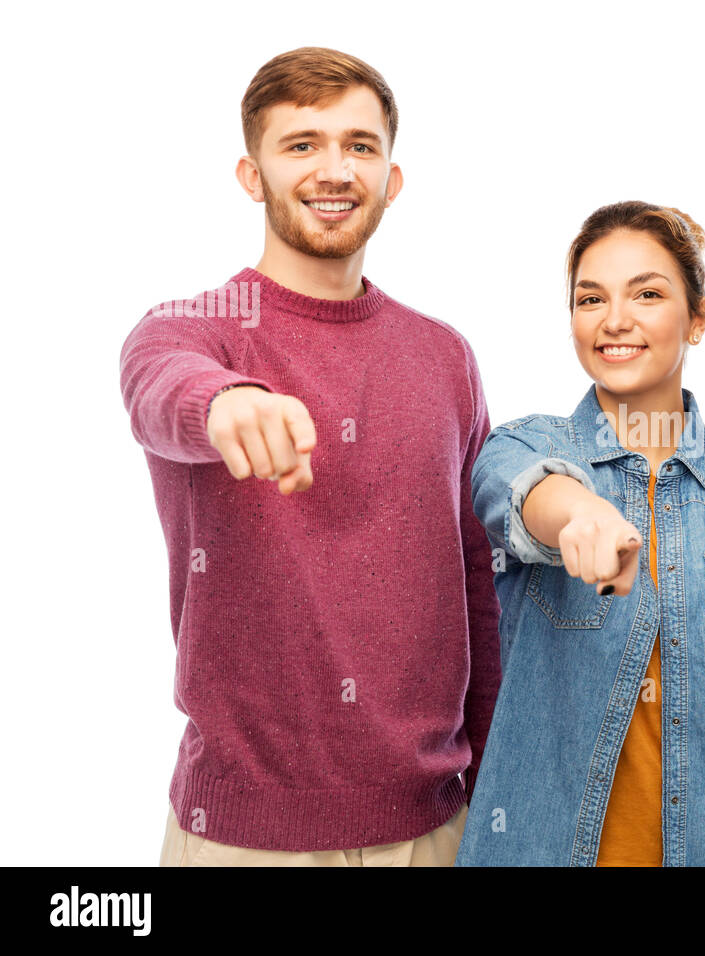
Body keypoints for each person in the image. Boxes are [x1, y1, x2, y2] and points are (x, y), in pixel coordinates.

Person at [119, 47, 500, 866]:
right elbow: (159, 387)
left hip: (433, 830)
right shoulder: (191, 327)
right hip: (242, 841)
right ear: (251, 175)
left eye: (359, 146)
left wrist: (500, 788)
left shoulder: (445, 357)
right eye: (302, 144)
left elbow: (477, 581)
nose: (335, 170)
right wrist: (226, 403)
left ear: (393, 178)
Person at [454, 201, 705, 866]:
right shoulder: (523, 444)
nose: (615, 320)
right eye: (590, 298)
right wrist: (579, 513)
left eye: (648, 294)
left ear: (699, 318)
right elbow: (516, 494)